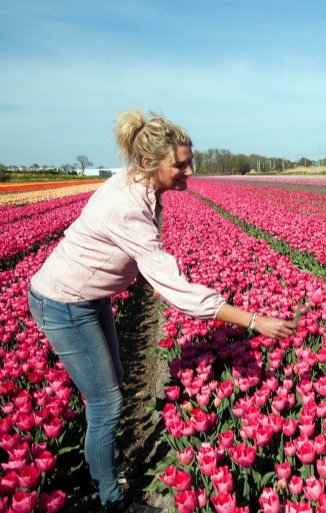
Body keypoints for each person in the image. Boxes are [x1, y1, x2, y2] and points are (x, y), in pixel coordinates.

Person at [27, 110, 296, 513]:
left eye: (191, 160)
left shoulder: (141, 186)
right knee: (107, 402)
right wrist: (254, 321)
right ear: (152, 163)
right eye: (182, 163)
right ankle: (111, 498)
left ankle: (104, 459)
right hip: (64, 303)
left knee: (111, 385)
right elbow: (174, 290)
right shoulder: (127, 207)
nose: (191, 169)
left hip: (90, 298)